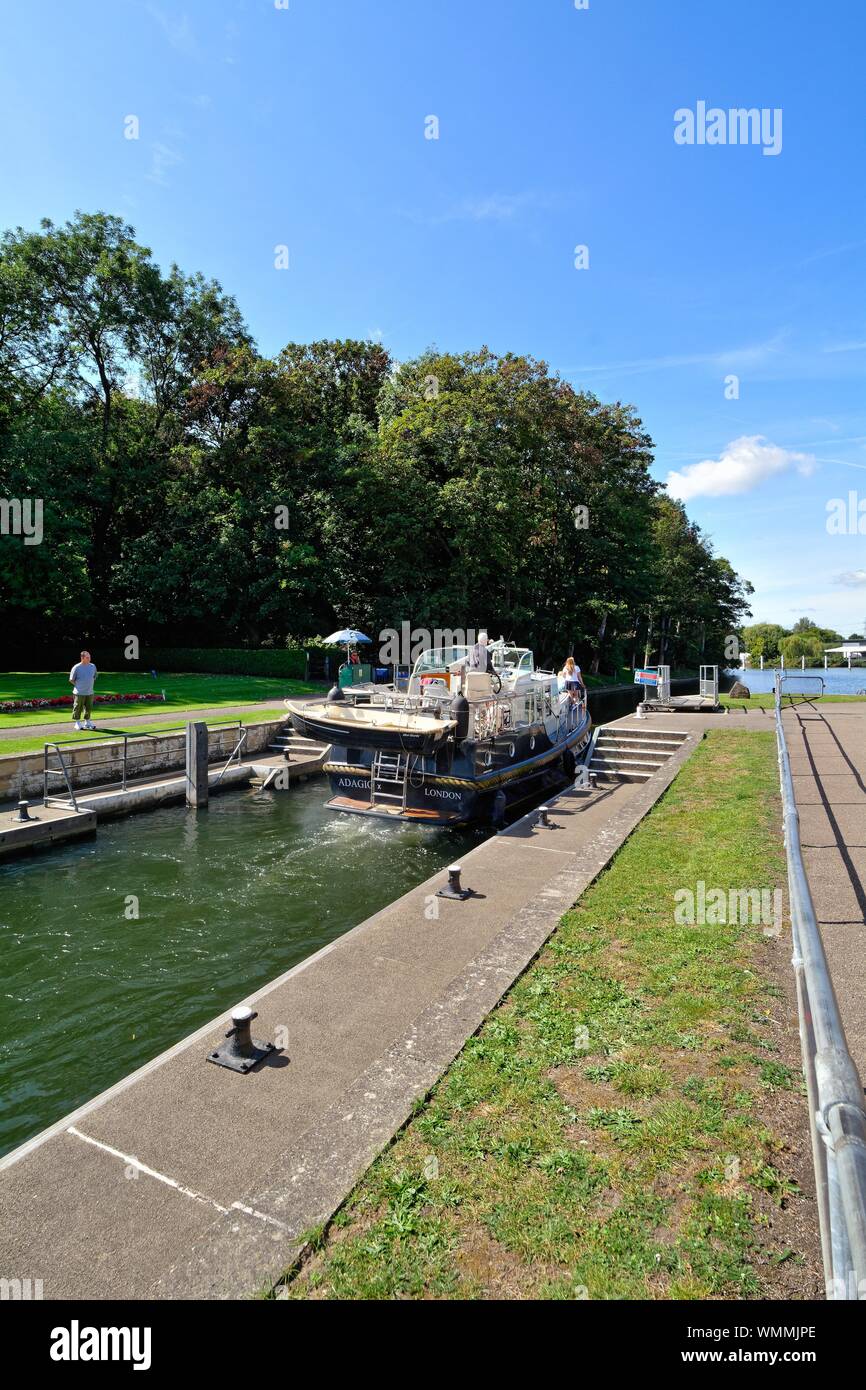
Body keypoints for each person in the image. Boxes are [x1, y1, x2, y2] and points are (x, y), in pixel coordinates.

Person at [69, 649, 98, 730]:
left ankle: (87, 722)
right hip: (79, 692)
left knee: (88, 708)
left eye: (90, 657)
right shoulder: (76, 667)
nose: (89, 659)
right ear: (82, 658)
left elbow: (94, 677)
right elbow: (71, 680)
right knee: (77, 707)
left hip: (90, 692)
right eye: (88, 657)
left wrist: (88, 684)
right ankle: (77, 723)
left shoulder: (93, 666)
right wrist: (79, 686)